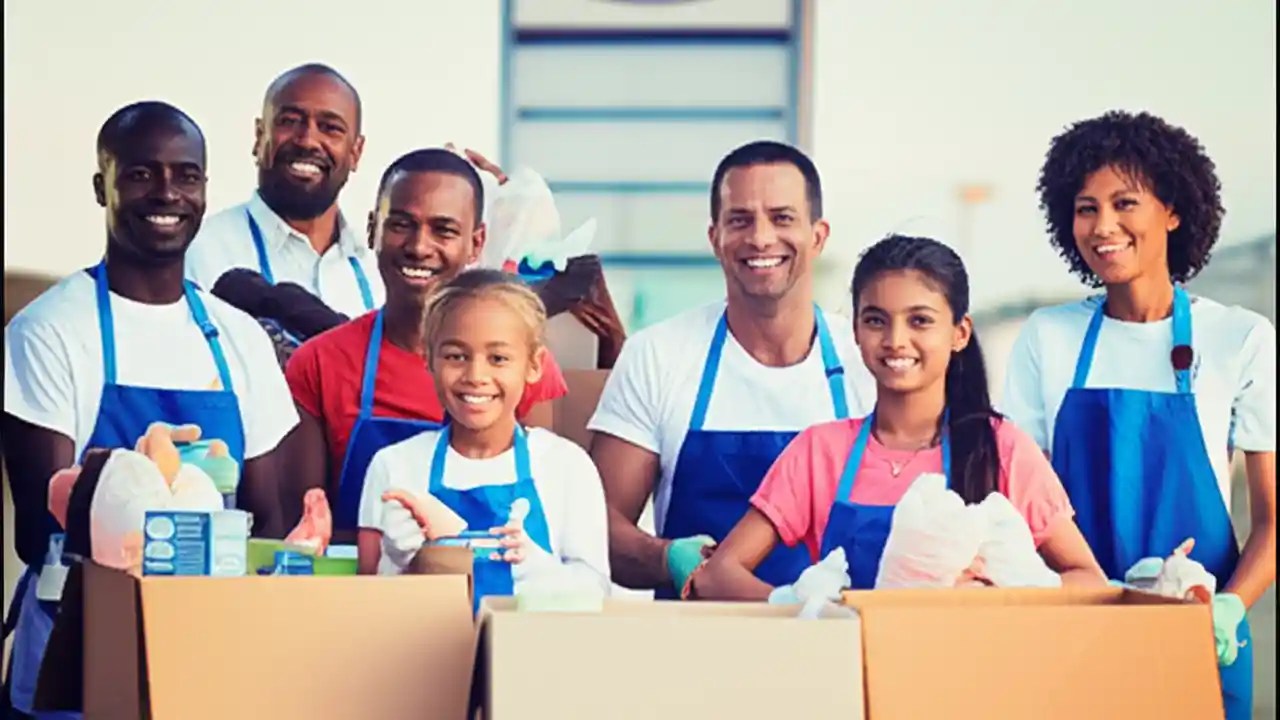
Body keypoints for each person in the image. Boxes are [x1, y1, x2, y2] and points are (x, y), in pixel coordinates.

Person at [1, 102, 298, 719]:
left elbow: (266, 518)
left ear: (205, 189)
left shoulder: (239, 339)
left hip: (207, 648)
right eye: (139, 174)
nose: (166, 192)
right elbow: (41, 528)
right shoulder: (51, 330)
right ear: (100, 186)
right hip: (76, 644)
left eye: (185, 175)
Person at [1001, 111, 1275, 719]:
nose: (1103, 227)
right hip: (1072, 630)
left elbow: (1274, 523)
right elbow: (1016, 503)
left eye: (1126, 203)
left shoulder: (1240, 339)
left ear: (1173, 211)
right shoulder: (1048, 338)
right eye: (1086, 207)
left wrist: (1227, 608)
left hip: (1199, 634)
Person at [695, 235, 1106, 599]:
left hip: (974, 678)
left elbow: (1088, 578)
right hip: (848, 674)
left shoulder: (1002, 449)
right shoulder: (819, 452)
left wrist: (1005, 593)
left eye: (920, 321)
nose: (895, 341)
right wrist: (794, 607)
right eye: (876, 320)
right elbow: (718, 576)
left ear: (959, 333)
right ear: (855, 330)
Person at [587, 140, 877, 599]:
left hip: (837, 642)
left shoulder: (866, 362)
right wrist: (665, 557)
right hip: (694, 647)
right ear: (714, 238)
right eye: (740, 220)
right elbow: (592, 524)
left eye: (782, 218)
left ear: (819, 236)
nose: (761, 238)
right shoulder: (658, 356)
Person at [285, 149, 567, 535]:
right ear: (373, 229)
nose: (419, 247)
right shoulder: (319, 363)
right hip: (362, 586)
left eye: (444, 230)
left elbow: (544, 498)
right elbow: (305, 525)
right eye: (401, 224)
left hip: (495, 588)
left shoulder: (518, 365)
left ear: (477, 242)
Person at [355, 269, 609, 610]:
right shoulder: (395, 466)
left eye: (499, 359)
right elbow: (367, 608)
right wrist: (403, 563)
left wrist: (537, 571)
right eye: (456, 356)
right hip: (423, 661)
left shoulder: (566, 466)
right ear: (429, 359)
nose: (476, 376)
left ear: (534, 365)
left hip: (528, 659)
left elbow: (595, 594)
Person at [185, 63, 383, 316]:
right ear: (259, 137)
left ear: (356, 152)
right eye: (289, 121)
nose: (307, 140)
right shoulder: (201, 253)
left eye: (330, 128)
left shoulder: (376, 273)